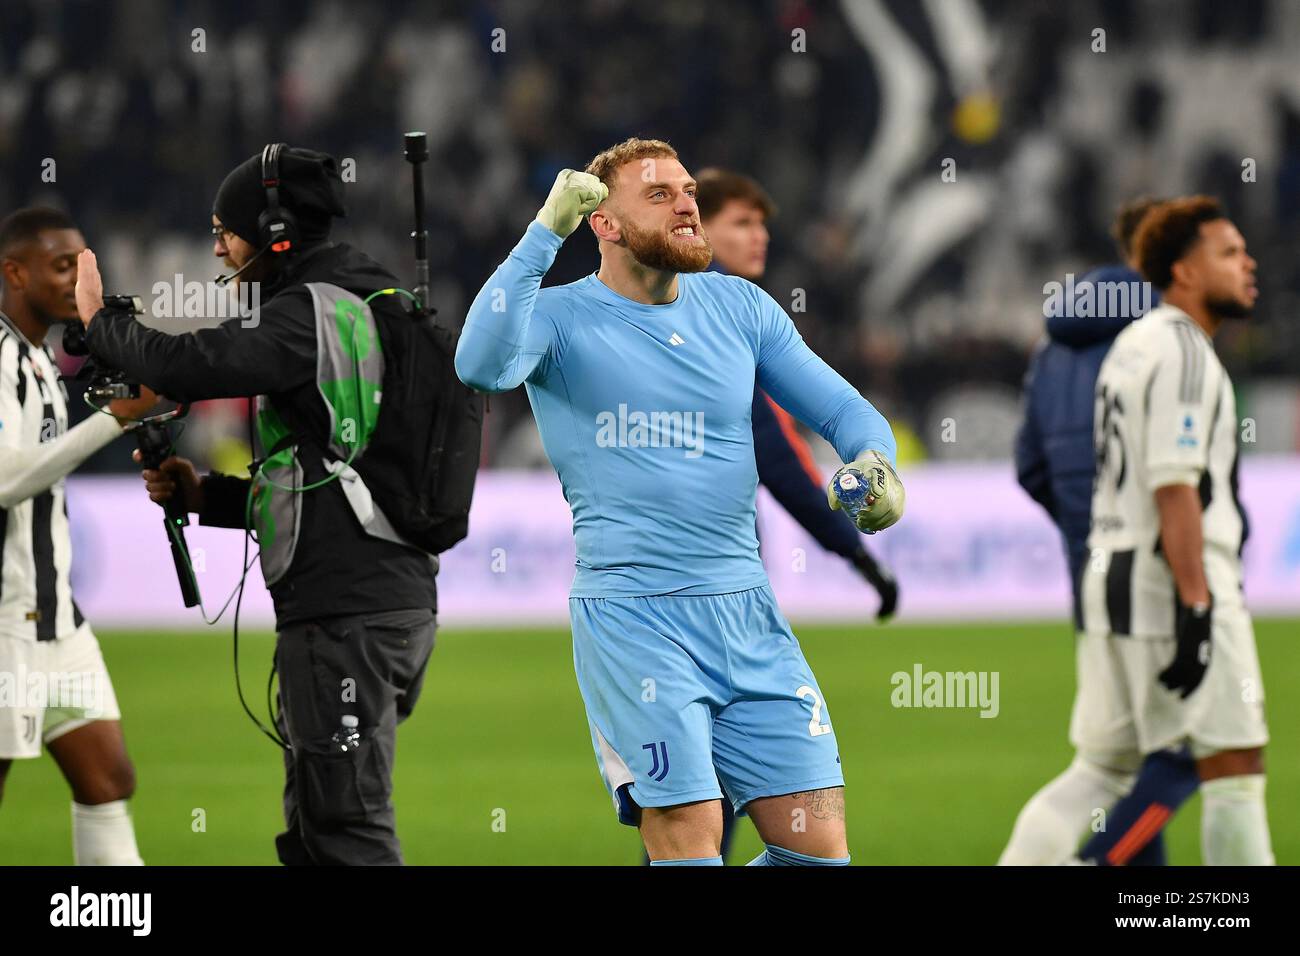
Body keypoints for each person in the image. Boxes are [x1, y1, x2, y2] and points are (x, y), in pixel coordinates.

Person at [456, 138, 905, 865]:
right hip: (637, 625)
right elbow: (477, 363)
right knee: (692, 850)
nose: (688, 204)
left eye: (690, 190)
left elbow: (844, 411)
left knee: (818, 856)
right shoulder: (560, 318)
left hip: (751, 618)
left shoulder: (740, 307)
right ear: (603, 221)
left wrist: (874, 463)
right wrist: (544, 234)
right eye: (660, 195)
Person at [74, 146, 438, 865]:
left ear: (275, 231)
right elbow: (333, 481)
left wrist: (98, 320)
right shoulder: (368, 298)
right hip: (377, 604)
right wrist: (206, 494)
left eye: (225, 230)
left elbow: (192, 364)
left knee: (348, 836)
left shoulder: (314, 311)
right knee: (314, 836)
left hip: (344, 617)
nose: (217, 248)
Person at [1013, 196, 1271, 866]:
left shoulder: (1129, 346)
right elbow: (1174, 484)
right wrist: (1196, 602)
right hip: (1170, 579)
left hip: (1107, 573)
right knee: (1230, 762)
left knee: (1103, 767)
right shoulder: (1183, 350)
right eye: (1230, 253)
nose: (1250, 264)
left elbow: (1045, 466)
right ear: (1183, 272)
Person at [684, 167, 899, 864]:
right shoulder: (714, 321)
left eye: (762, 222)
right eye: (741, 222)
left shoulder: (735, 317)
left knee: (699, 816)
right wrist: (856, 551)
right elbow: (782, 464)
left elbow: (793, 452)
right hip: (695, 601)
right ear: (697, 228)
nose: (760, 235)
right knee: (710, 814)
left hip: (712, 590)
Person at [1002, 198, 1201, 866]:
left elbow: (1030, 466)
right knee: (1180, 755)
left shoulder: (1053, 345)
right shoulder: (1167, 333)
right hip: (1157, 573)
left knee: (1114, 763)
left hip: (1090, 578)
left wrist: (1087, 530)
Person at [0, 206, 155, 864]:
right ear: (14, 271)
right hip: (6, 624)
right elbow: (5, 482)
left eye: (83, 263)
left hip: (58, 620)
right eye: (62, 265)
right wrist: (114, 422)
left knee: (109, 779)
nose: (77, 278)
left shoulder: (37, 358)